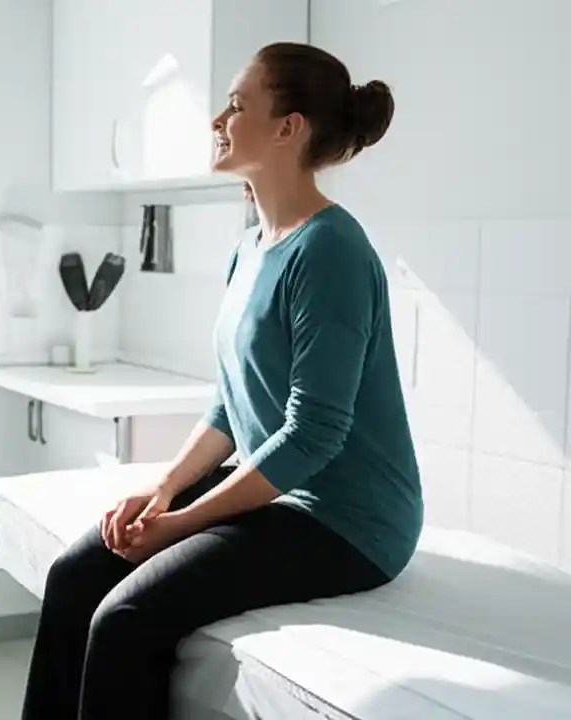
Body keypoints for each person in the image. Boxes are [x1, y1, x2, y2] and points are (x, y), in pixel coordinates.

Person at [21, 42, 423, 719]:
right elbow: (230, 407)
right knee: (76, 574)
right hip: (284, 490)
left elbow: (315, 434)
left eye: (237, 104)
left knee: (125, 618)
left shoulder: (332, 251)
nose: (217, 119)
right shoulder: (251, 245)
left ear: (288, 127)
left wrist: (182, 523)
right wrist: (161, 491)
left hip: (348, 520)